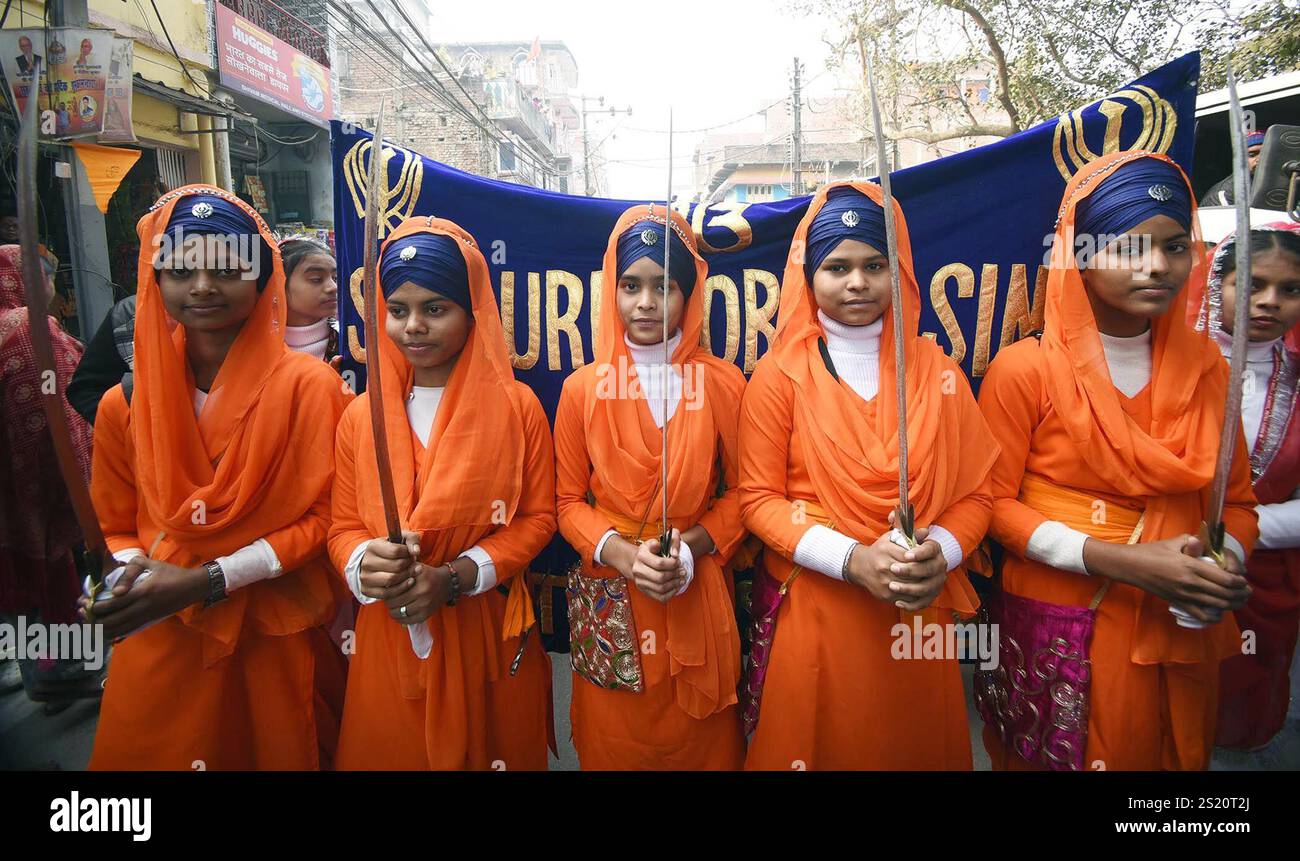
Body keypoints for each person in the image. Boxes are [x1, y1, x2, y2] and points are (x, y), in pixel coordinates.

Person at [977, 151, 1258, 772]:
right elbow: (990, 507)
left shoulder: (1212, 371)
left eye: (1177, 247)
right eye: (1130, 248)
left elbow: (1236, 505)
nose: (1159, 266)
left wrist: (1218, 566)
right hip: (1065, 616)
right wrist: (1120, 560)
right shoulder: (1025, 371)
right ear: (1078, 253)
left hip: (1183, 621)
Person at [82, 186, 351, 769]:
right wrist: (128, 583)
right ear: (155, 280)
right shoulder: (122, 403)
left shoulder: (311, 388)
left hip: (274, 628)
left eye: (227, 269)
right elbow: (116, 525)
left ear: (260, 278)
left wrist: (210, 579)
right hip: (165, 632)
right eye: (179, 270)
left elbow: (328, 520)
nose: (201, 286)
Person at [738, 182, 998, 770]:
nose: (857, 282)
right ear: (808, 277)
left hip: (916, 604)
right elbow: (757, 499)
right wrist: (853, 561)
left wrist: (944, 553)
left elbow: (978, 494)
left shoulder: (937, 370)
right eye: (837, 266)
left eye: (874, 265)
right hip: (816, 601)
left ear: (898, 271)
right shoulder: (778, 377)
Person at [327, 217, 555, 770]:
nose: (414, 327)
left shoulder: (517, 407)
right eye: (398, 310)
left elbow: (537, 518)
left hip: (486, 626)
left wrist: (455, 577)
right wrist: (366, 563)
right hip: (388, 628)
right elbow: (340, 527)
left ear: (472, 311)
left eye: (435, 309)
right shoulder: (363, 415)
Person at [554, 204, 748, 769]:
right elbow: (566, 502)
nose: (645, 302)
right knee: (617, 742)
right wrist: (621, 553)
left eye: (664, 286)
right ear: (611, 292)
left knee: (701, 744)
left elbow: (747, 495)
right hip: (611, 589)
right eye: (631, 285)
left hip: (697, 585)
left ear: (689, 296)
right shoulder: (581, 390)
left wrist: (691, 547)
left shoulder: (723, 385)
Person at [1188, 221, 1300, 755]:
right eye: (1250, 284)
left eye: (1290, 290)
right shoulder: (1167, 363)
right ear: (1216, 284)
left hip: (1265, 578)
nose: (1269, 302)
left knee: (1235, 709)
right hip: (1161, 562)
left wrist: (1232, 537)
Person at [0, 244, 100, 704]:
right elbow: (63, 418)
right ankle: (60, 670)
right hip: (36, 482)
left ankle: (38, 667)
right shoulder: (29, 330)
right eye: (45, 277)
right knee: (53, 569)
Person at [279, 235, 340, 364]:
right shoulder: (254, 350)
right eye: (316, 279)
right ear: (279, 284)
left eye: (335, 278)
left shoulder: (352, 347)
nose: (333, 287)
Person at [1200, 129, 1266, 207]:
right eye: (1252, 155)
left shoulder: (1277, 183)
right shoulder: (1225, 193)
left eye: (1266, 153)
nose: (1260, 159)